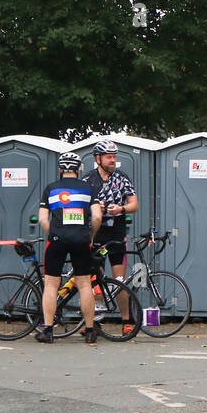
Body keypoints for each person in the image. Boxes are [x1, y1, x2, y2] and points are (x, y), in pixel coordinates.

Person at [36, 151, 103, 344]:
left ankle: (47, 331)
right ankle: (90, 330)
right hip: (81, 240)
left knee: (50, 284)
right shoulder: (88, 188)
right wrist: (89, 236)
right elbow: (97, 217)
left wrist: (54, 233)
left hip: (57, 240)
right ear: (78, 169)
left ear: (60, 169)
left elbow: (42, 219)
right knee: (84, 284)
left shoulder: (51, 189)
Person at [84, 139, 139, 335]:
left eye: (114, 157)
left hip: (116, 233)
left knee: (120, 279)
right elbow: (81, 207)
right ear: (98, 159)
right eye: (109, 157)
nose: (112, 160)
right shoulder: (87, 180)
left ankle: (126, 321)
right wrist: (93, 210)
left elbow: (134, 204)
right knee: (95, 280)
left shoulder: (122, 178)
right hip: (96, 234)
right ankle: (94, 323)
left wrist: (121, 208)